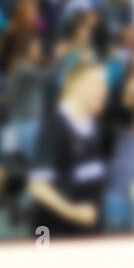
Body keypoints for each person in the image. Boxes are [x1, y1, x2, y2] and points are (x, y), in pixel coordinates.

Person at [27, 60, 109, 238]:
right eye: (98, 85)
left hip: (86, 240)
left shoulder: (93, 128)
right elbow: (37, 186)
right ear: (77, 85)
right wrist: (73, 212)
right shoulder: (55, 126)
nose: (103, 92)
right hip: (52, 236)